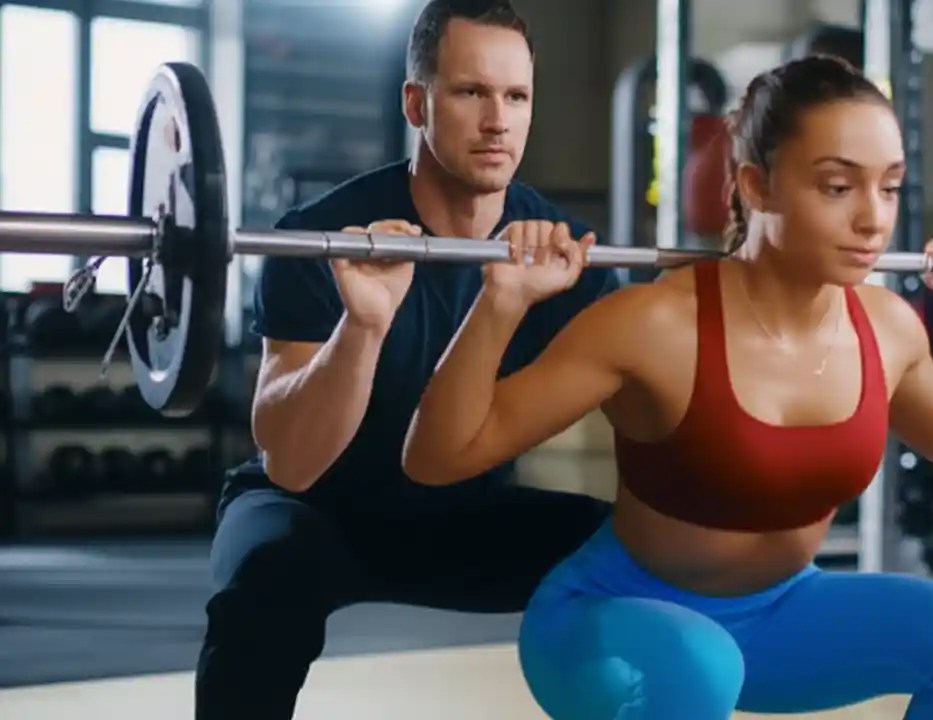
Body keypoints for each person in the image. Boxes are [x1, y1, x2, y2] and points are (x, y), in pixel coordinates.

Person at [403, 54, 933, 719]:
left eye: (890, 187)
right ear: (756, 186)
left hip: (779, 619)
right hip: (609, 622)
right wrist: (500, 303)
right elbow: (438, 457)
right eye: (839, 187)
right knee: (701, 664)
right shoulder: (655, 324)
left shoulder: (889, 326)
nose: (874, 219)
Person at [194, 2, 619, 718]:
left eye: (516, 96)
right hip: (313, 509)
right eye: (471, 92)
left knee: (644, 556)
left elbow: (657, 382)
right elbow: (291, 463)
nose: (498, 121)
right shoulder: (323, 236)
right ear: (417, 104)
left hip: (463, 512)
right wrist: (362, 325)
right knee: (263, 584)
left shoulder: (565, 255)